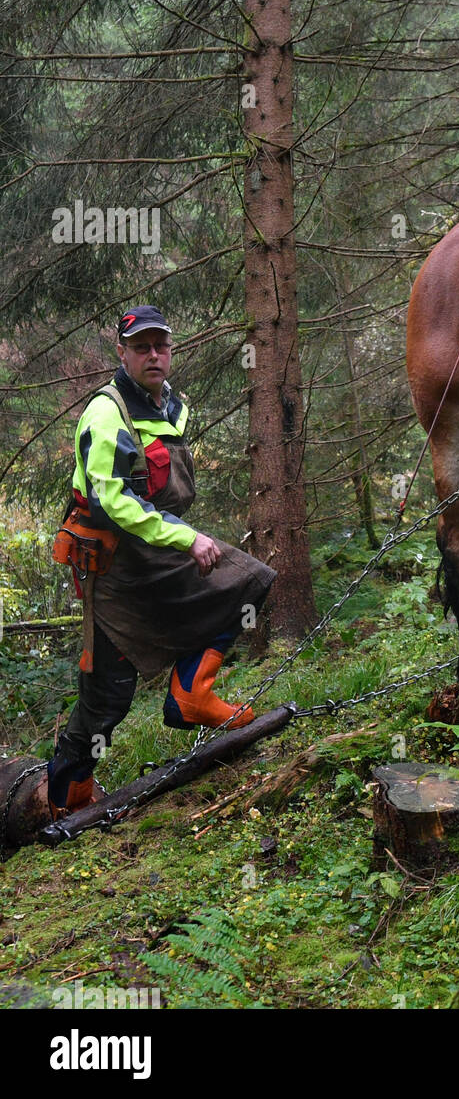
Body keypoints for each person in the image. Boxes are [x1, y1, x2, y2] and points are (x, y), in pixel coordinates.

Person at [47, 306, 277, 818]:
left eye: (161, 345)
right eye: (142, 346)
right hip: (116, 570)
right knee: (108, 698)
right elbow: (112, 501)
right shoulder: (107, 414)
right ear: (123, 352)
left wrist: (178, 539)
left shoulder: (172, 405)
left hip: (159, 555)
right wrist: (186, 537)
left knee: (248, 582)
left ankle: (192, 694)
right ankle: (65, 797)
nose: (154, 354)